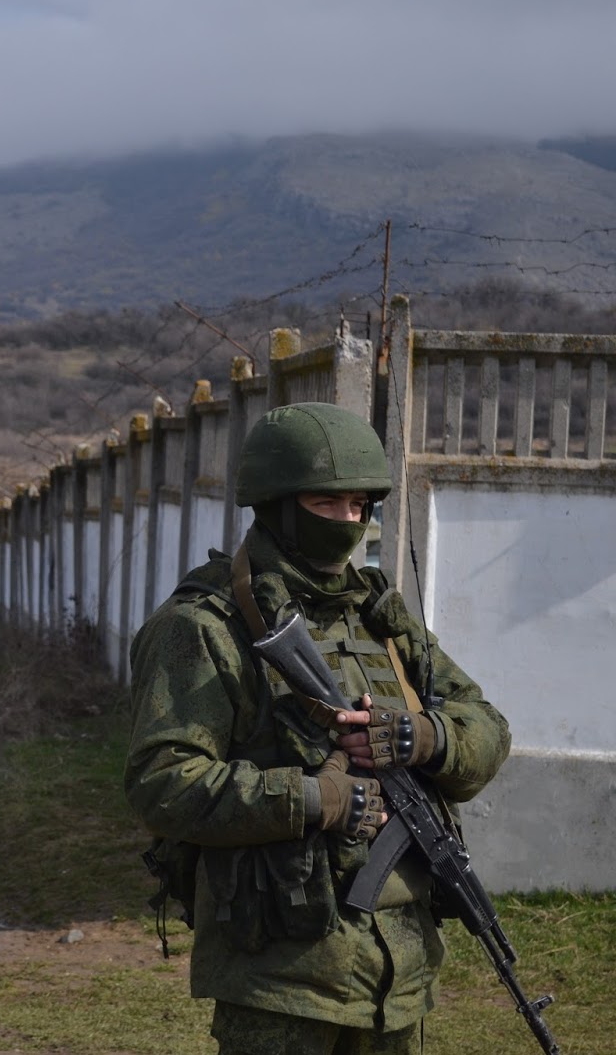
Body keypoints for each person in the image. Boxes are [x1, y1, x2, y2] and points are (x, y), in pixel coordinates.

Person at [123, 402, 512, 1055]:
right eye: (327, 504)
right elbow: (162, 783)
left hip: (401, 976)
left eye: (361, 504)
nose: (350, 520)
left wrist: (421, 737)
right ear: (276, 504)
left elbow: (487, 729)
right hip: (282, 976)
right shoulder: (205, 626)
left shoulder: (378, 618)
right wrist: (317, 799)